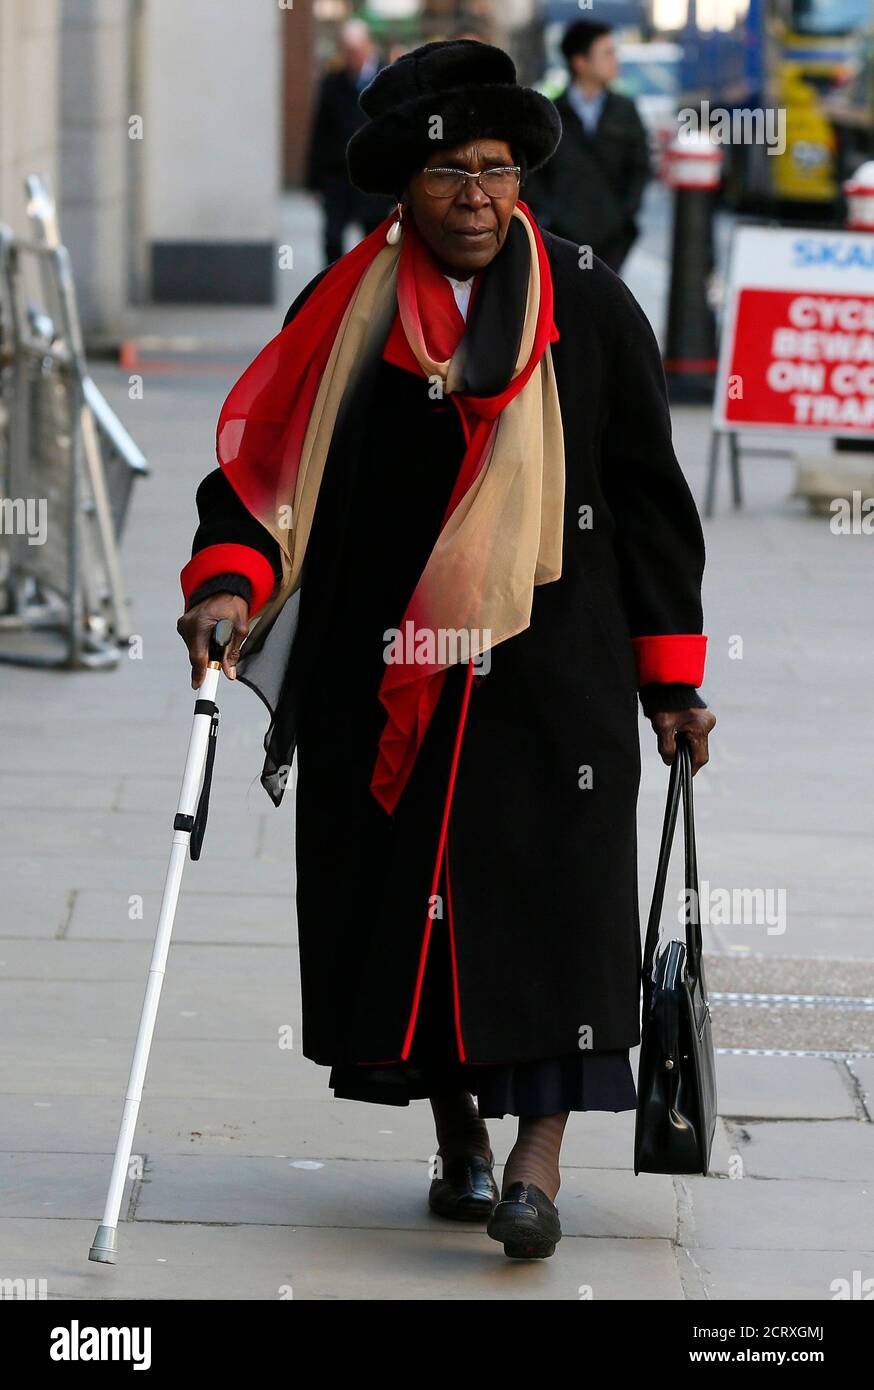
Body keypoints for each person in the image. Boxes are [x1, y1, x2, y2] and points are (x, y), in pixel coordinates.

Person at [177, 40, 715, 1262]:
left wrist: (671, 676)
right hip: (391, 672)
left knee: (551, 905)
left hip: (552, 674)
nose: (475, 195)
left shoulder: (592, 300)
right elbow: (266, 479)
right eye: (446, 174)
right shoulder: (344, 310)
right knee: (412, 909)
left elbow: (647, 501)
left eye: (496, 168)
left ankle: (536, 1161)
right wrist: (226, 587)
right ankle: (458, 1134)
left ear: (523, 177)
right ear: (400, 192)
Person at [525, 19, 651, 272]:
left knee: (605, 308)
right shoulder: (550, 113)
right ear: (580, 62)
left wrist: (626, 216)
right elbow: (532, 173)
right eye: (607, 53)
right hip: (559, 239)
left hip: (612, 240)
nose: (615, 60)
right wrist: (549, 217)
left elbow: (640, 168)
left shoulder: (625, 111)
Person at [305, 18, 392, 263]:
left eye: (355, 50)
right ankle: (332, 293)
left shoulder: (387, 80)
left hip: (374, 179)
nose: (350, 56)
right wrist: (314, 181)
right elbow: (320, 133)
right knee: (332, 238)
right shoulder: (332, 82)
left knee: (375, 244)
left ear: (367, 46)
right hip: (337, 176)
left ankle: (369, 296)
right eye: (346, 50)